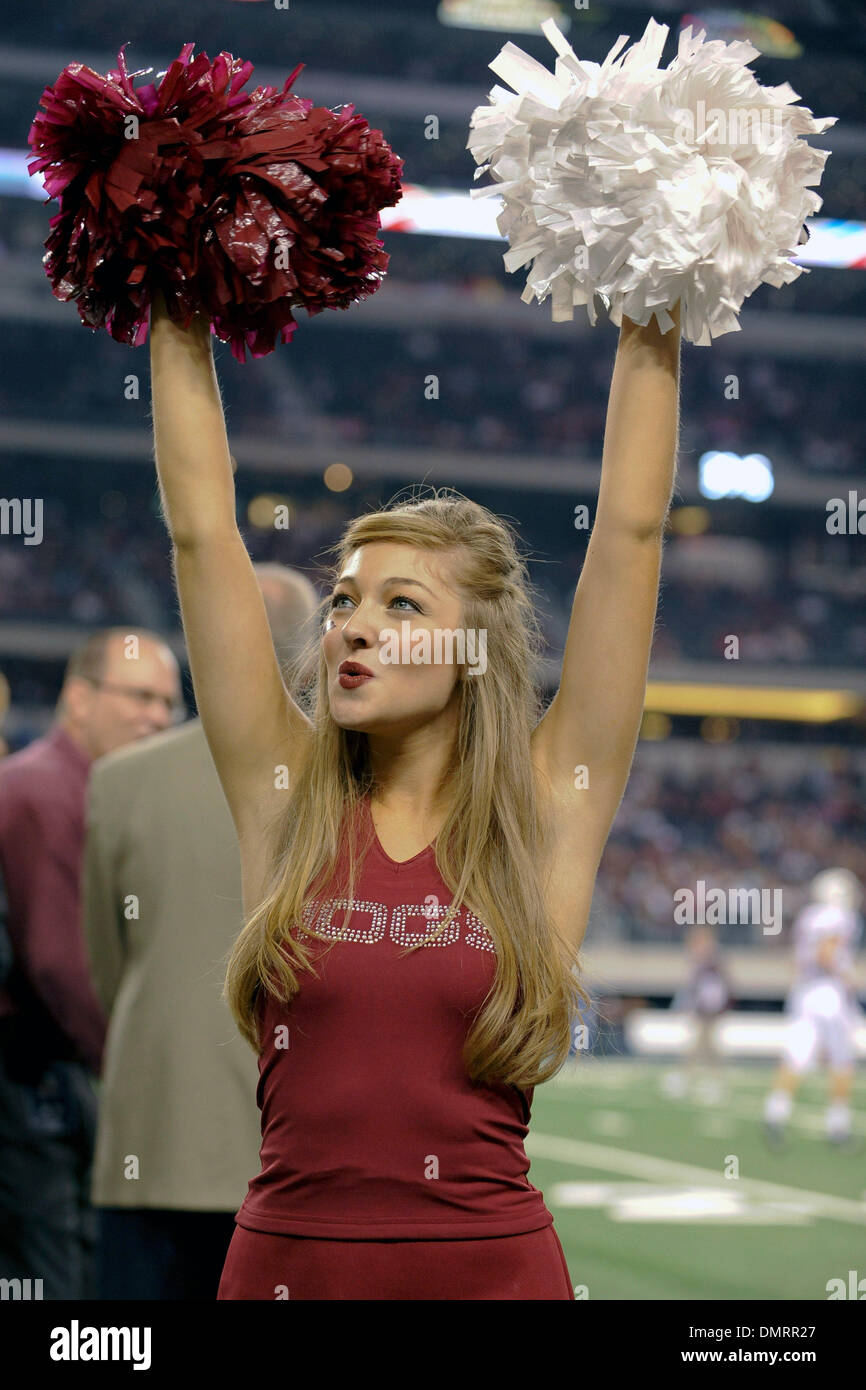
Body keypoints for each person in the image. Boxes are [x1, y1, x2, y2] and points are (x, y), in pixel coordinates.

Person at [148, 289, 681, 1300]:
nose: (351, 625)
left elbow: (630, 535)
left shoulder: (542, 805)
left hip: (492, 1273)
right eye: (344, 599)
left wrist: (651, 289)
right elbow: (200, 536)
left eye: (401, 605)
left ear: (470, 649)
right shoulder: (285, 790)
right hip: (286, 1269)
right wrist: (174, 292)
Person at [84, 564, 319, 1300]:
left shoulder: (122, 780)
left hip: (149, 1138)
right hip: (298, 1151)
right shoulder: (356, 780)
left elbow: (108, 964)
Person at [0, 628, 181, 1299]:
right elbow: (58, 963)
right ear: (79, 698)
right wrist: (135, 1073)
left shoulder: (73, 788)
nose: (158, 717)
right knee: (58, 1269)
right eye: (139, 695)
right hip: (29, 1076)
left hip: (43, 1074)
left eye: (168, 702)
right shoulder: (48, 790)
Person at [764, 868, 863, 1150]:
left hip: (804, 991)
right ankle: (838, 1125)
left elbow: (799, 959)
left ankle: (775, 1113)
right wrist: (847, 978)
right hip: (828, 993)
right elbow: (826, 953)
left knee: (796, 1056)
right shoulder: (841, 917)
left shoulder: (808, 916)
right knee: (842, 1060)